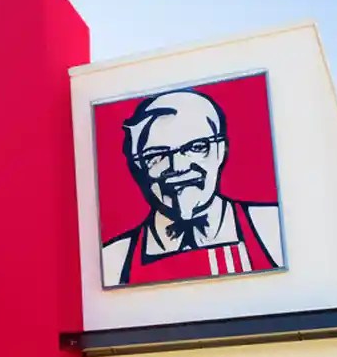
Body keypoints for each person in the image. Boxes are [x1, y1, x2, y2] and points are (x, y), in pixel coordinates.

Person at [101, 88, 283, 287]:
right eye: (156, 156)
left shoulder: (271, 228)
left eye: (196, 147)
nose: (178, 167)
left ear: (220, 150)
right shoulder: (113, 262)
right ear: (138, 166)